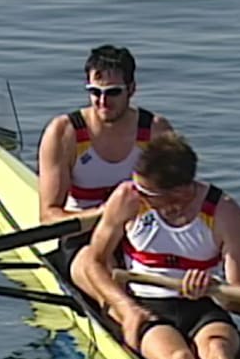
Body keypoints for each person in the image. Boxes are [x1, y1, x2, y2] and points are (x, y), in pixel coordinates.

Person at [74, 134, 240, 359]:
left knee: (220, 357)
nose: (136, 193)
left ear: (180, 194)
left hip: (201, 307)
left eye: (146, 193)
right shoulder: (127, 198)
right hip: (148, 305)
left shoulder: (224, 213)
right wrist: (126, 309)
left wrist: (215, 288)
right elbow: (93, 262)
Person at [37, 44, 174, 289]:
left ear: (131, 90)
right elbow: (49, 217)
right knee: (104, 269)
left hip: (139, 232)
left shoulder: (155, 131)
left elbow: (176, 200)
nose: (102, 101)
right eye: (94, 92)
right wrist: (108, 213)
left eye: (112, 92)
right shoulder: (64, 133)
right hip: (83, 236)